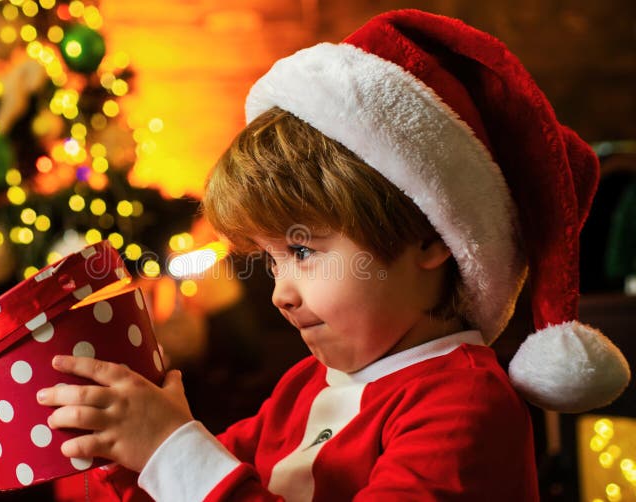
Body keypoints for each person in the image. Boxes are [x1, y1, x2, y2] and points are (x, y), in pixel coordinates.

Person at [40, 9, 631, 501]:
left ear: (427, 236)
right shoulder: (307, 387)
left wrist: (172, 450)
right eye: (272, 260)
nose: (280, 292)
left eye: (302, 250)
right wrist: (123, 448)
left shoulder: (465, 405)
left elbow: (203, 481)